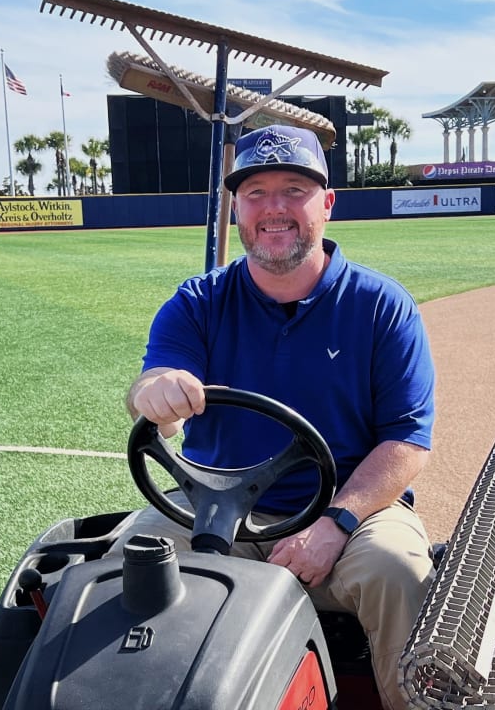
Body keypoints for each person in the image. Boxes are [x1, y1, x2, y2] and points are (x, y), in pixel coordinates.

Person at [125, 123, 436, 710]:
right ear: (236, 209)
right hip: (216, 507)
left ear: (327, 203)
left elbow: (407, 441)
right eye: (256, 193)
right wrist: (156, 393)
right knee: (132, 560)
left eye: (294, 190)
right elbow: (155, 384)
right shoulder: (197, 302)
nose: (274, 208)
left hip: (351, 511)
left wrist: (334, 525)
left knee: (397, 571)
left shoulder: (381, 305)